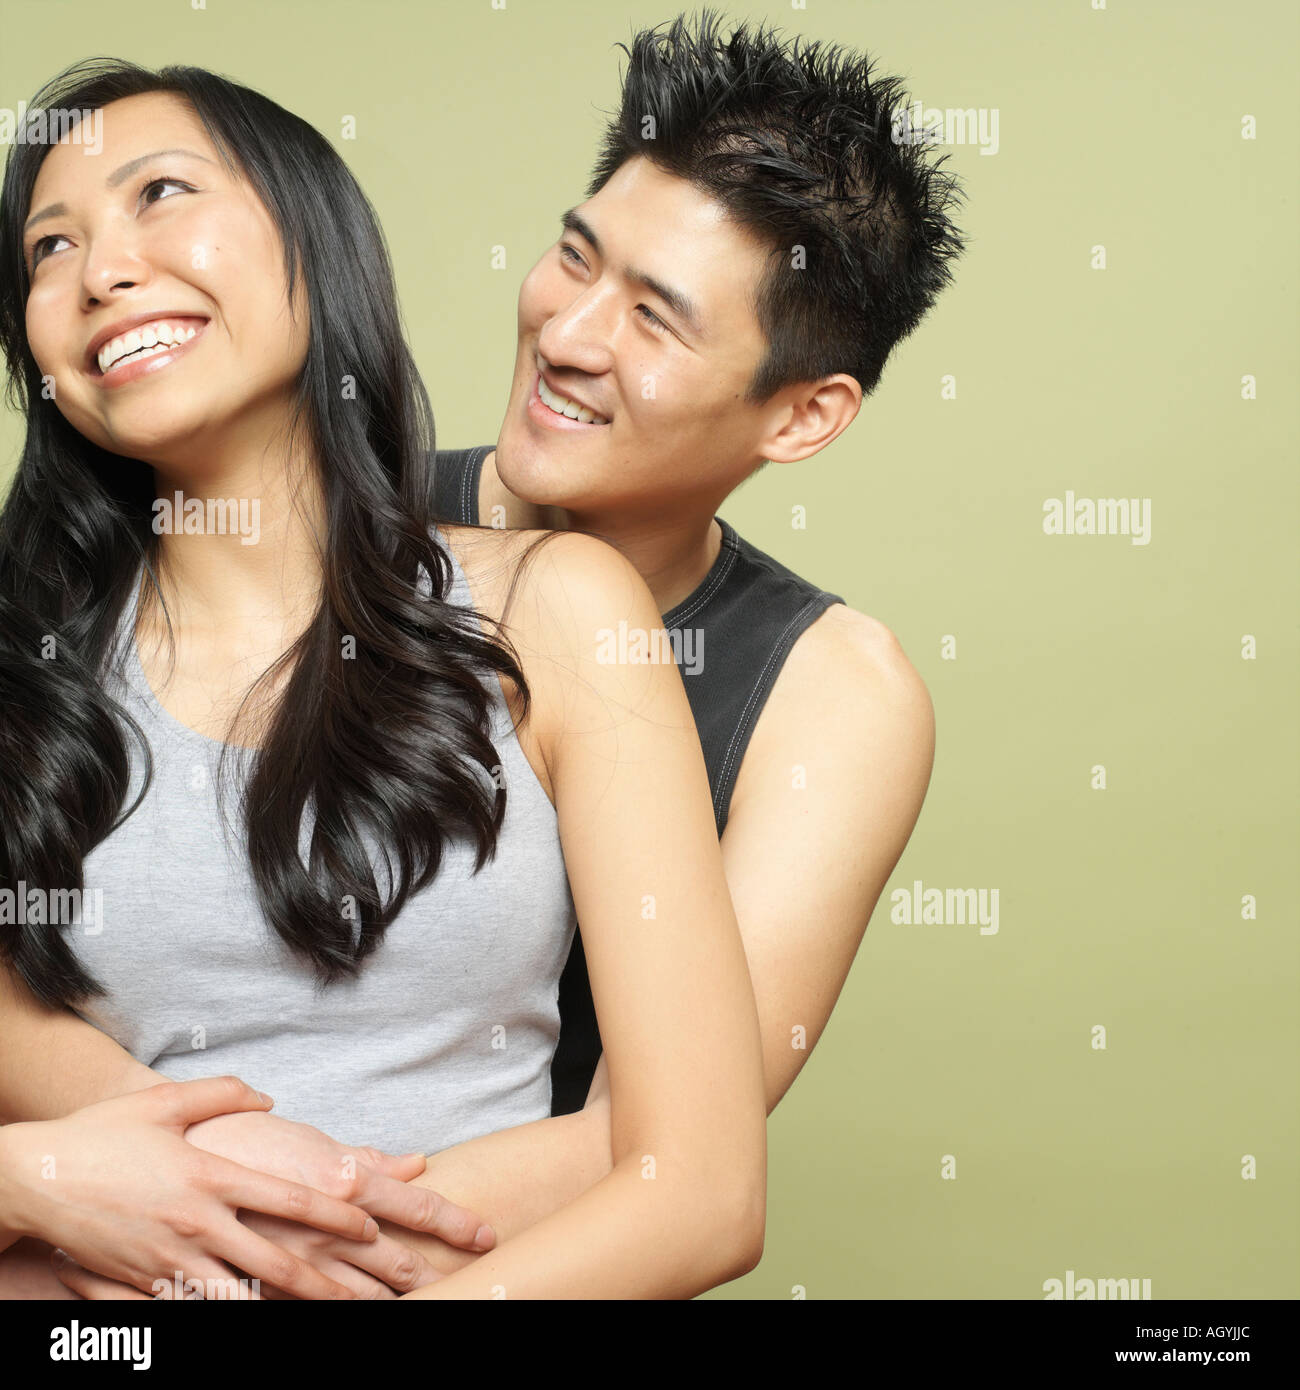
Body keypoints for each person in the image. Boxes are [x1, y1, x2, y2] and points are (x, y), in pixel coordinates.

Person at [0, 57, 765, 1300]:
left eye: (161, 193)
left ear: (318, 236)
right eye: (47, 246)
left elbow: (704, 1192)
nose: (100, 270)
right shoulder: (22, 671)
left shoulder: (556, 607)